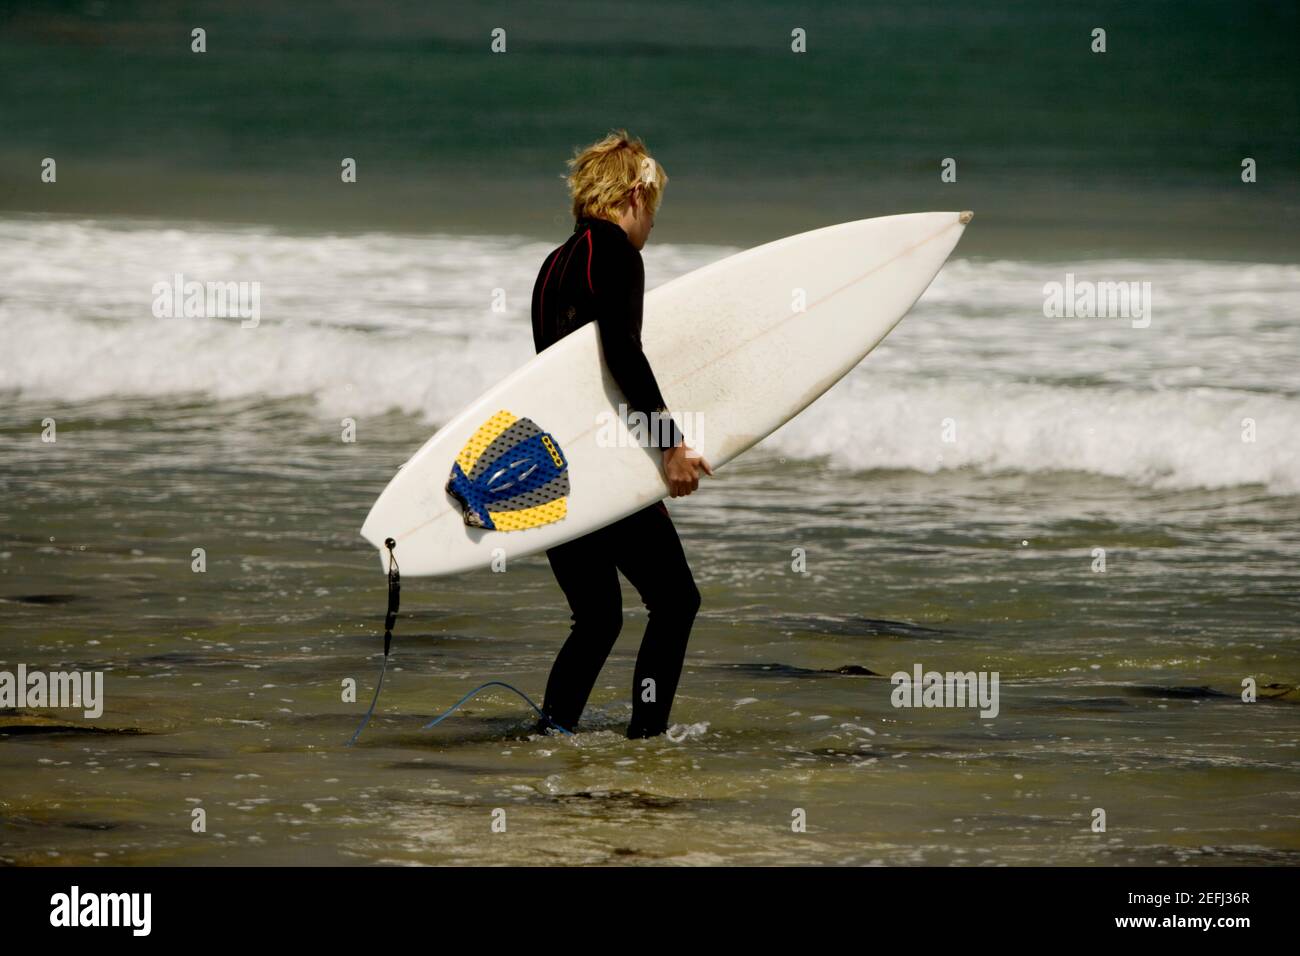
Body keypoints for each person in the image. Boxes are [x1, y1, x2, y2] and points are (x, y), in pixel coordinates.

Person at [530, 130, 712, 738]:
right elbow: (623, 356)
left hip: (555, 464)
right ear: (634, 195)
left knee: (598, 616)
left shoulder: (553, 264)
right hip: (599, 462)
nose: (653, 226)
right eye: (653, 209)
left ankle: (552, 735)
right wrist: (671, 445)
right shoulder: (615, 254)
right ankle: (647, 741)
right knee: (675, 601)